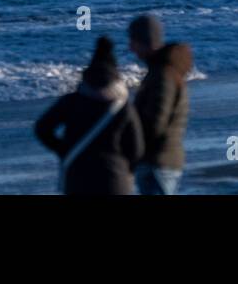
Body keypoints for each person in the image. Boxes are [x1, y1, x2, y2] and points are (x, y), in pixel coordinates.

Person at [34, 36, 143, 195]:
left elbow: (42, 128)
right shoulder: (123, 107)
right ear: (115, 79)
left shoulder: (71, 102)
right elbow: (137, 149)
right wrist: (122, 166)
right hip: (115, 181)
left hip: (78, 179)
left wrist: (64, 150)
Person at [128, 14, 194, 195]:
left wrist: (130, 142)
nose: (130, 48)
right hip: (160, 161)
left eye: (133, 41)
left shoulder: (163, 75)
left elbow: (156, 122)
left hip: (157, 162)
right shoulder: (162, 71)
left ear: (145, 41)